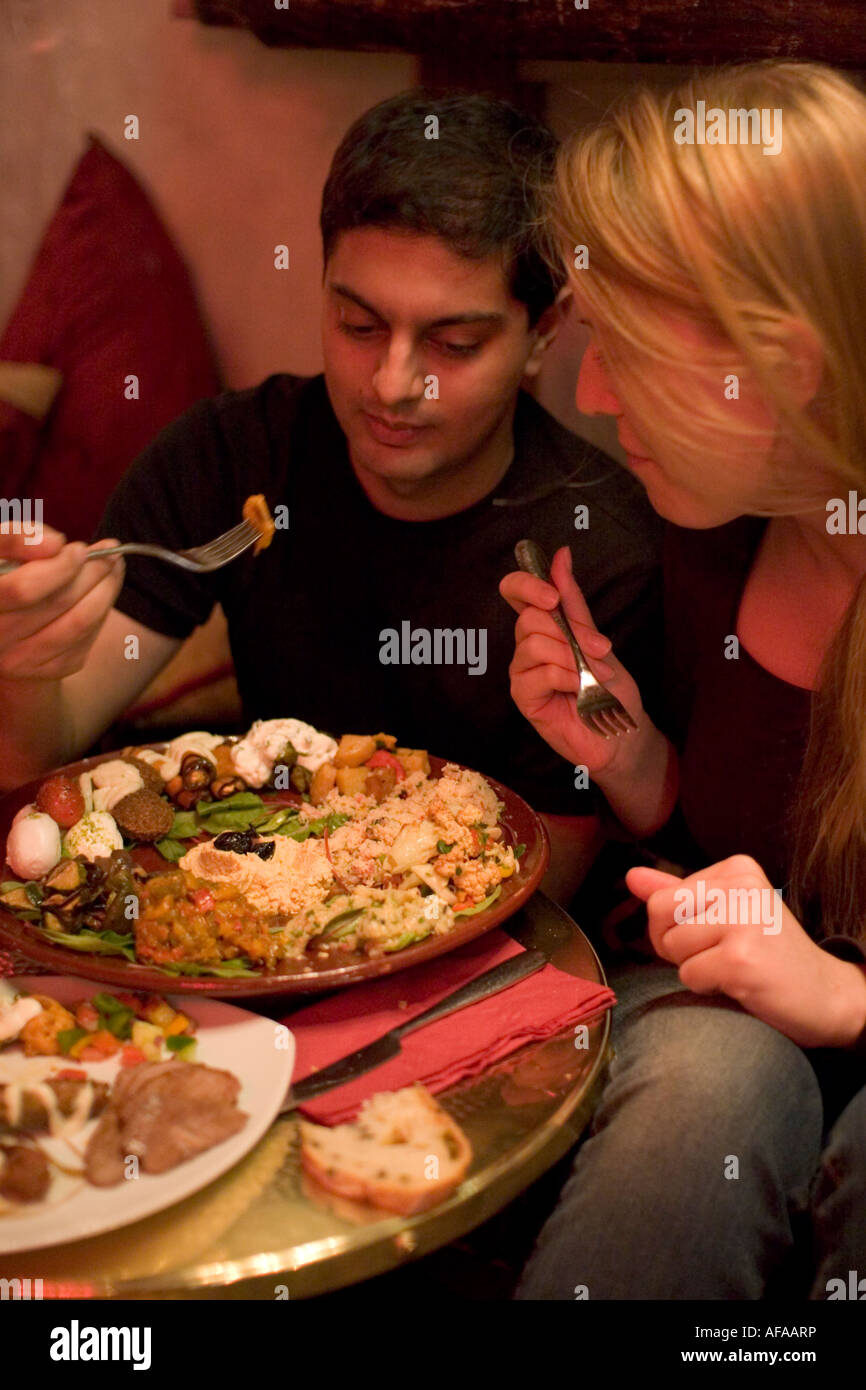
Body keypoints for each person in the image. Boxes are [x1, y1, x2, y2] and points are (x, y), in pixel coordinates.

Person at [0, 90, 663, 905]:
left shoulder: (595, 542)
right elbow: (47, 743)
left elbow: (544, 888)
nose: (391, 384)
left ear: (545, 331)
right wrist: (29, 669)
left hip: (486, 946)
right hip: (261, 901)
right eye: (358, 325)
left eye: (453, 344)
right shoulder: (231, 456)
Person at [501, 60, 866, 1298]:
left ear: (784, 363)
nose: (586, 395)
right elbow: (745, 838)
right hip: (729, 1030)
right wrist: (631, 754)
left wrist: (843, 997)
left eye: (619, 351)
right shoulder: (716, 525)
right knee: (712, 1073)